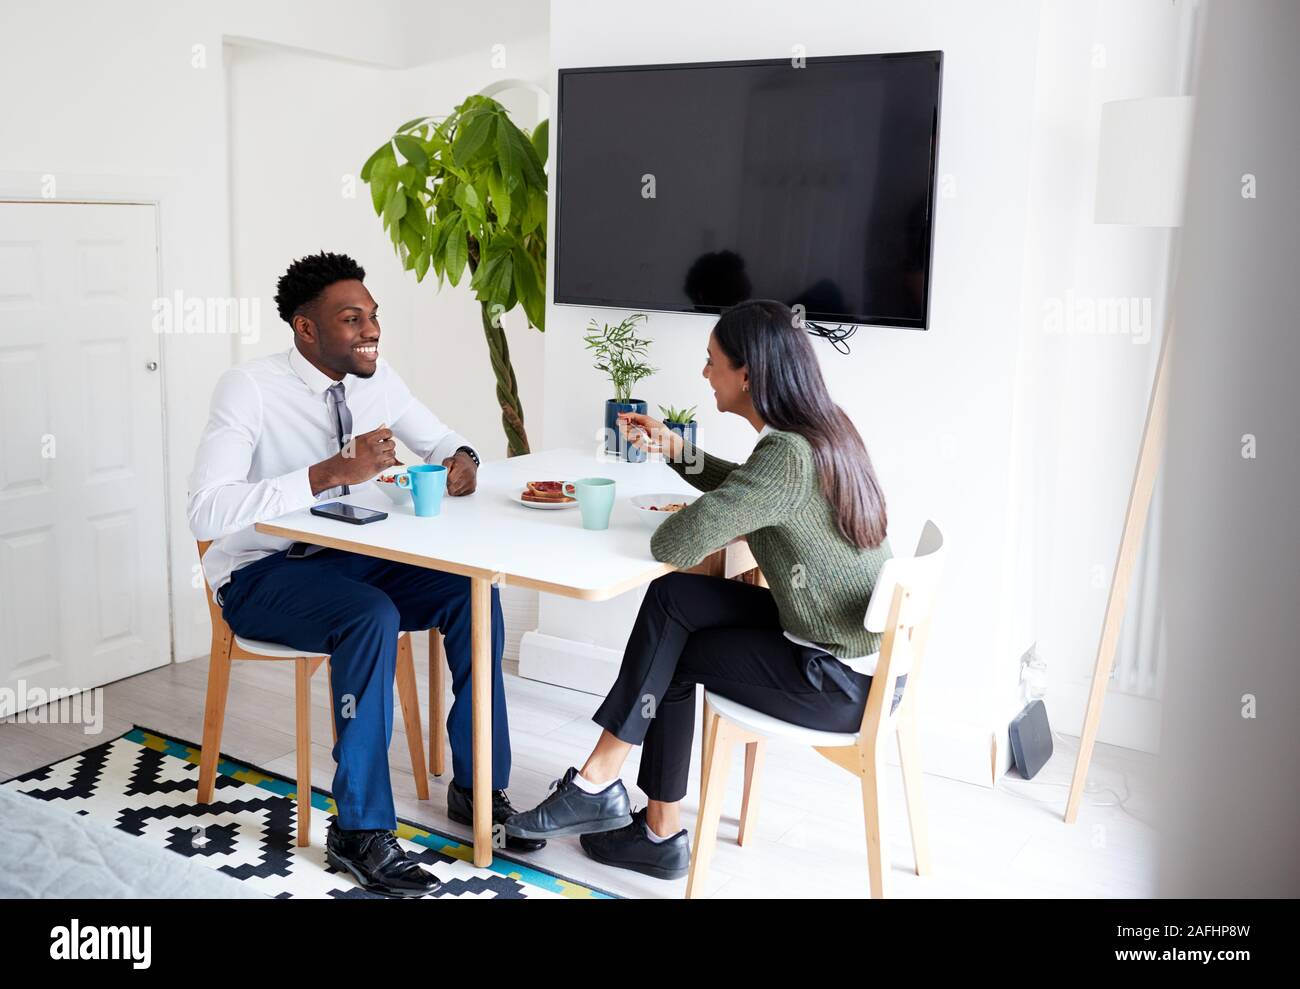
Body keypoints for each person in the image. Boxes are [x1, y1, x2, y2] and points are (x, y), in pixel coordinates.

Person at [504, 298, 902, 880]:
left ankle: (632, 811)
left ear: (748, 374)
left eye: (713, 361)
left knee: (674, 651)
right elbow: (747, 490)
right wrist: (676, 451)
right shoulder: (821, 431)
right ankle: (619, 802)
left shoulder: (786, 456)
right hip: (857, 657)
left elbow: (676, 544)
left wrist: (686, 501)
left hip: (836, 682)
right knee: (674, 601)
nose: (705, 373)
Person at [187, 251, 542, 899]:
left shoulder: (375, 377)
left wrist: (462, 461)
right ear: (307, 329)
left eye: (373, 316)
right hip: (260, 575)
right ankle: (360, 828)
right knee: (368, 616)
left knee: (471, 587)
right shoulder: (249, 387)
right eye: (352, 319)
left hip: (348, 555)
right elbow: (206, 508)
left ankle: (478, 785)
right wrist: (327, 473)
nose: (371, 330)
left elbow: (444, 443)